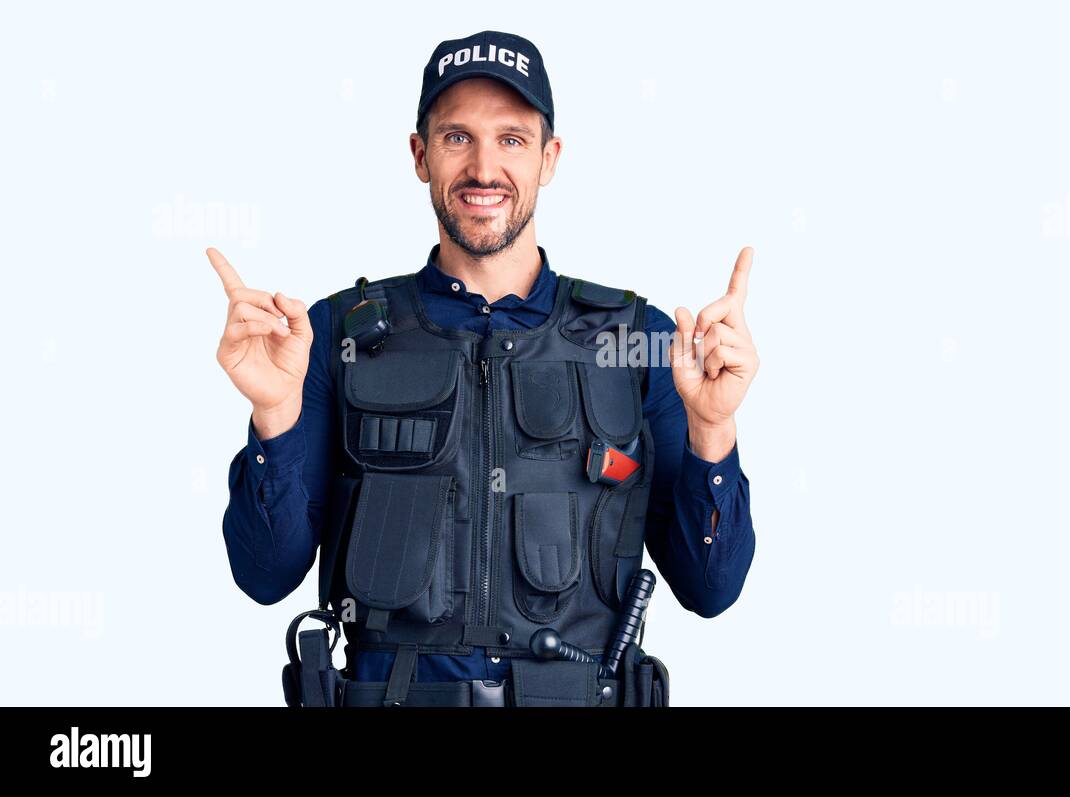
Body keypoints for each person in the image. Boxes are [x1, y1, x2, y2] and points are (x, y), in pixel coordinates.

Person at [210, 30, 759, 706]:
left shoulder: (639, 341)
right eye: (457, 137)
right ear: (420, 155)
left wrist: (714, 426)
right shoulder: (331, 335)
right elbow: (264, 575)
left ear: (549, 159)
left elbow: (713, 588)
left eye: (512, 139)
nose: (483, 168)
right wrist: (273, 416)